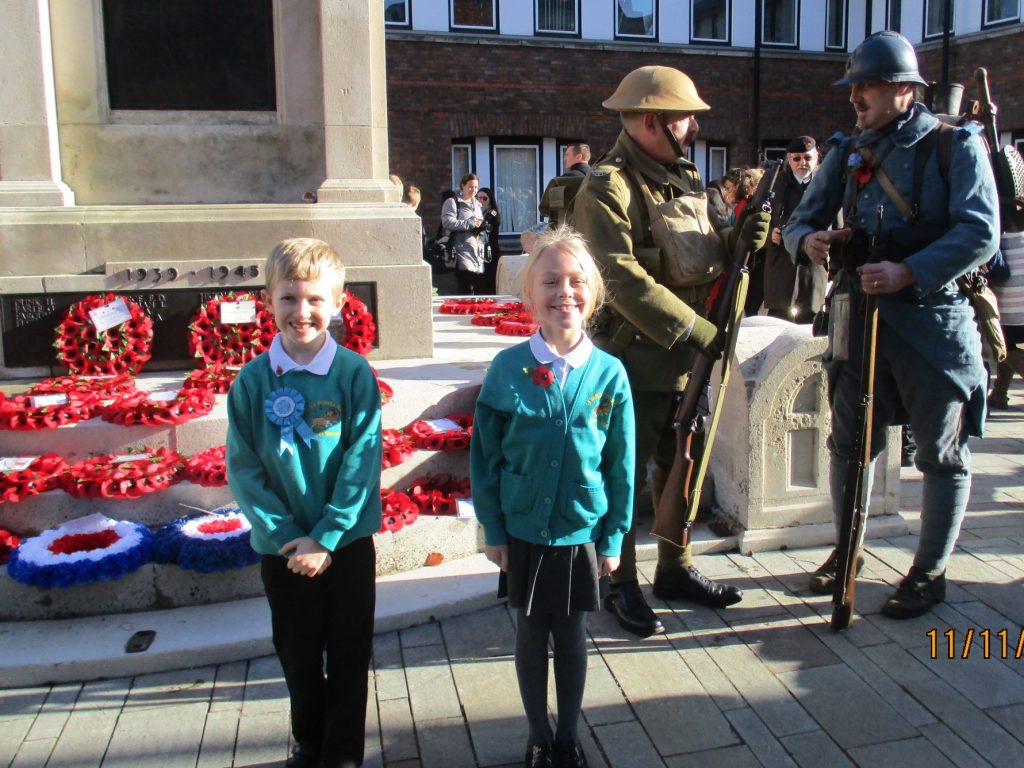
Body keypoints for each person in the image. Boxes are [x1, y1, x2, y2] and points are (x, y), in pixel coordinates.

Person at [784, 31, 999, 619]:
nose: (855, 96)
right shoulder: (846, 151)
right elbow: (797, 223)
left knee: (940, 453)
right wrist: (813, 244)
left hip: (933, 322)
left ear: (904, 89)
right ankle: (847, 551)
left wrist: (909, 271)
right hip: (860, 317)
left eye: (867, 85)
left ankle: (929, 573)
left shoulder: (955, 146)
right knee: (849, 444)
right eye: (852, 86)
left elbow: (980, 232)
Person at [569, 65, 771, 636]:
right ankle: (620, 582)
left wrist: (739, 237)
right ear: (653, 121)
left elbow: (701, 254)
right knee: (625, 479)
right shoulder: (607, 187)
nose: (693, 126)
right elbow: (622, 279)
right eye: (685, 116)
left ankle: (675, 568)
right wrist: (700, 333)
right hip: (635, 361)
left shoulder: (680, 178)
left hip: (688, 360)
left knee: (683, 466)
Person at [471, 225, 634, 768]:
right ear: (528, 296)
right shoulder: (507, 370)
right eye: (550, 281)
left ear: (593, 292)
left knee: (571, 635)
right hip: (522, 529)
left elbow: (620, 464)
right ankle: (539, 736)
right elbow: (486, 459)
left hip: (579, 530)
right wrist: (492, 530)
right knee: (530, 632)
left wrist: (612, 536)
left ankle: (568, 735)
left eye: (576, 280)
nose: (565, 291)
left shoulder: (609, 374)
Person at [226, 237, 383, 768]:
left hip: (347, 545)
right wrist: (288, 536)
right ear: (268, 300)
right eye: (289, 298)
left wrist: (328, 534)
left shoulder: (353, 374)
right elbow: (244, 467)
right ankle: (308, 741)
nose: (302, 311)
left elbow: (362, 460)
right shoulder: (250, 382)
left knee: (348, 652)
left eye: (315, 299)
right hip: (284, 548)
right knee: (296, 653)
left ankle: (342, 754)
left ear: (337, 303)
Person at [763, 136, 828, 323]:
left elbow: (838, 225)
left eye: (808, 158)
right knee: (777, 332)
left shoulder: (825, 186)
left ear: (817, 158)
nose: (802, 163)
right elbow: (753, 222)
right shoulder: (774, 183)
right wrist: (770, 236)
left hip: (812, 272)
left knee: (809, 335)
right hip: (781, 271)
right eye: (796, 158)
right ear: (789, 160)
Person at [442, 173, 487, 294]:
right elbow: (447, 222)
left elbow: (478, 224)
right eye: (470, 187)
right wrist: (470, 224)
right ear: (463, 186)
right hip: (461, 251)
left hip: (478, 253)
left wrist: (483, 229)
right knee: (466, 289)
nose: (474, 190)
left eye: (476, 187)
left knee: (477, 291)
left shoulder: (477, 205)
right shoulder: (453, 202)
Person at [539, 143, 593, 226]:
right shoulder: (598, 179)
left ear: (578, 157)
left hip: (568, 233)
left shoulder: (562, 181)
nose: (564, 158)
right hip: (593, 231)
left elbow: (544, 209)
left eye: (567, 155)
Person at [477, 186, 503, 293]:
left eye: (484, 198)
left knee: (489, 276)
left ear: (490, 199)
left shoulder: (492, 212)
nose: (481, 201)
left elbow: (494, 219)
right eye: (478, 198)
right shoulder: (475, 211)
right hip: (479, 248)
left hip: (490, 249)